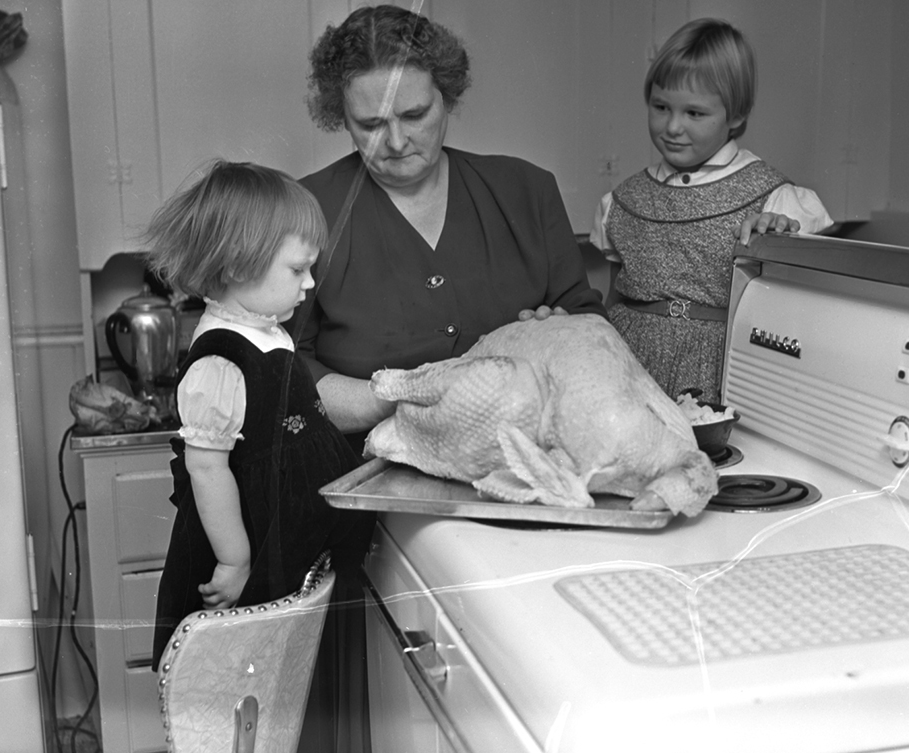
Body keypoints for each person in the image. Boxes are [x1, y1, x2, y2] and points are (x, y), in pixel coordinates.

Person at [292, 3, 606, 454]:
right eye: (371, 124)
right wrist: (396, 397)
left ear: (447, 96)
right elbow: (284, 368)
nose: (397, 143)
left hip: (522, 458)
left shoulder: (527, 190)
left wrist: (559, 332)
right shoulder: (307, 211)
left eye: (414, 115)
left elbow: (587, 323)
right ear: (340, 117)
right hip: (366, 473)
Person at [145, 160, 373, 695]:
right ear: (234, 266)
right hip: (256, 548)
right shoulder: (220, 360)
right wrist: (234, 557)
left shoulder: (269, 331)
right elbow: (207, 469)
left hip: (294, 542)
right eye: (297, 270)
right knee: (247, 682)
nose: (310, 283)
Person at [590, 18, 833, 403]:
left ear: (735, 116)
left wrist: (782, 241)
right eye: (660, 107)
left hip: (721, 371)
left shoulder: (773, 199)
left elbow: (803, 314)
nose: (672, 126)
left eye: (695, 114)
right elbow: (613, 300)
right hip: (629, 371)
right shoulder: (623, 201)